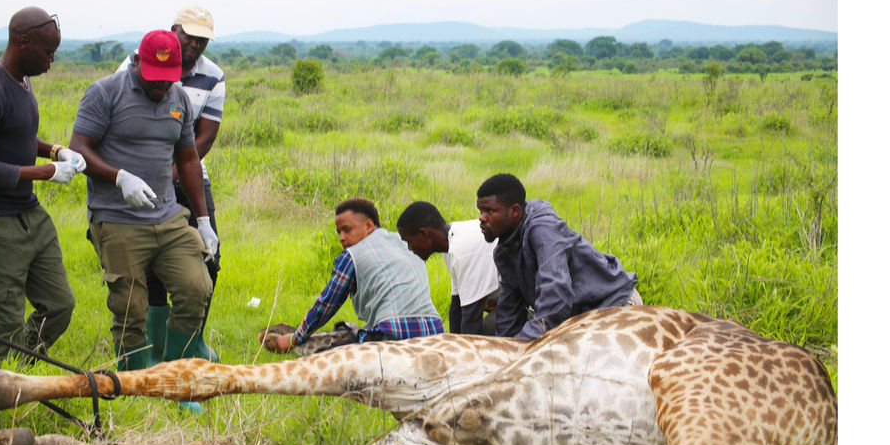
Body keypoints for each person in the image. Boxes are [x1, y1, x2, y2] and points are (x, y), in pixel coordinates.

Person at [69, 30, 218, 398]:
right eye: (154, 79)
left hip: (167, 216)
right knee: (130, 306)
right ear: (137, 61)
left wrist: (201, 220)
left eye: (167, 81)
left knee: (196, 286)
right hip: (117, 217)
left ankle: (177, 375)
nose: (159, 88)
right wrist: (119, 177)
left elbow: (187, 159)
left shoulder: (178, 97)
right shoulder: (105, 93)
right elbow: (78, 150)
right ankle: (134, 384)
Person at [0, 6, 85, 364]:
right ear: (22, 42)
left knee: (60, 304)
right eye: (47, 52)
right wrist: (44, 172)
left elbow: (18, 135)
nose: (52, 60)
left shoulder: (22, 82)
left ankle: (19, 367)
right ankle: (8, 381)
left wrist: (55, 150)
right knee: (3, 323)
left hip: (28, 213)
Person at [116, 6, 226, 365]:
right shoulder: (135, 63)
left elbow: (202, 140)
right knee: (152, 266)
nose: (195, 45)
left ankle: (190, 343)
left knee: (208, 260)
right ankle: (154, 348)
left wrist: (171, 179)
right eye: (190, 36)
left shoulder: (213, 76)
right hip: (138, 179)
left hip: (187, 174)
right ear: (174, 29)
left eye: (202, 40)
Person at [476, 173, 641, 340]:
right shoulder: (504, 251)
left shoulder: (544, 230)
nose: (481, 218)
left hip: (613, 305)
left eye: (489, 211)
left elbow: (556, 294)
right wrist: (506, 347)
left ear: (515, 211)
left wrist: (523, 346)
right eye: (481, 211)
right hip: (577, 316)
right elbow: (509, 312)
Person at [267, 199, 444, 353]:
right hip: (435, 332)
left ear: (368, 225)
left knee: (325, 356)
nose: (341, 238)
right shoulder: (406, 242)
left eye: (347, 229)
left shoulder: (352, 255)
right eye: (339, 232)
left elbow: (326, 305)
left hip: (392, 336)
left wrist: (295, 338)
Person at [396, 201, 499, 336]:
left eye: (409, 241)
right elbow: (457, 306)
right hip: (506, 302)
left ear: (423, 234)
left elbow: (471, 318)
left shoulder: (462, 251)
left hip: (529, 307)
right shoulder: (451, 243)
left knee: (486, 331)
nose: (410, 248)